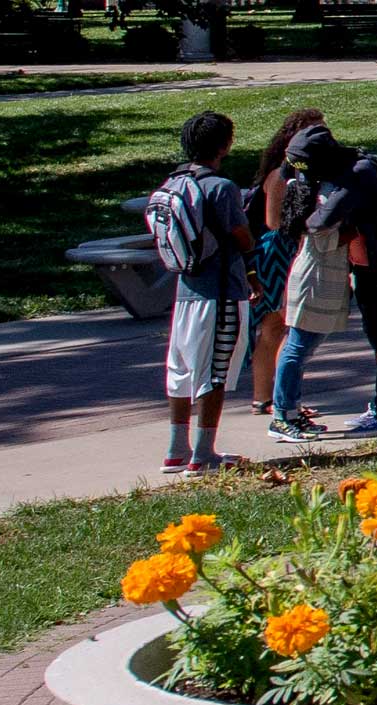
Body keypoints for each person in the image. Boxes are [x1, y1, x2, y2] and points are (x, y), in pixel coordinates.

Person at [285, 125, 377, 434]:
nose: (305, 173)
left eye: (307, 166)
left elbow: (319, 222)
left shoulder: (358, 174)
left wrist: (308, 195)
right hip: (369, 265)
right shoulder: (347, 170)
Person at [159, 112, 257, 476]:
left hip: (185, 291)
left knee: (181, 370)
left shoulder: (174, 182)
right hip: (221, 294)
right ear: (225, 145)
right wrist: (253, 265)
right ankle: (204, 454)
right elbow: (240, 235)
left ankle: (176, 450)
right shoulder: (221, 187)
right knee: (213, 373)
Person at [247, 108, 327, 420]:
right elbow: (271, 222)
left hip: (286, 250)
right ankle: (276, 399)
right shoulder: (281, 174)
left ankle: (269, 398)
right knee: (279, 326)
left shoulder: (303, 172)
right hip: (276, 254)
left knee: (277, 327)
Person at [267, 173, 353, 443]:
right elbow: (325, 239)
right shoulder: (323, 192)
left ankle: (291, 411)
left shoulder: (316, 186)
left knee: (303, 347)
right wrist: (359, 225)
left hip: (321, 274)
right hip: (314, 276)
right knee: (297, 347)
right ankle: (281, 415)